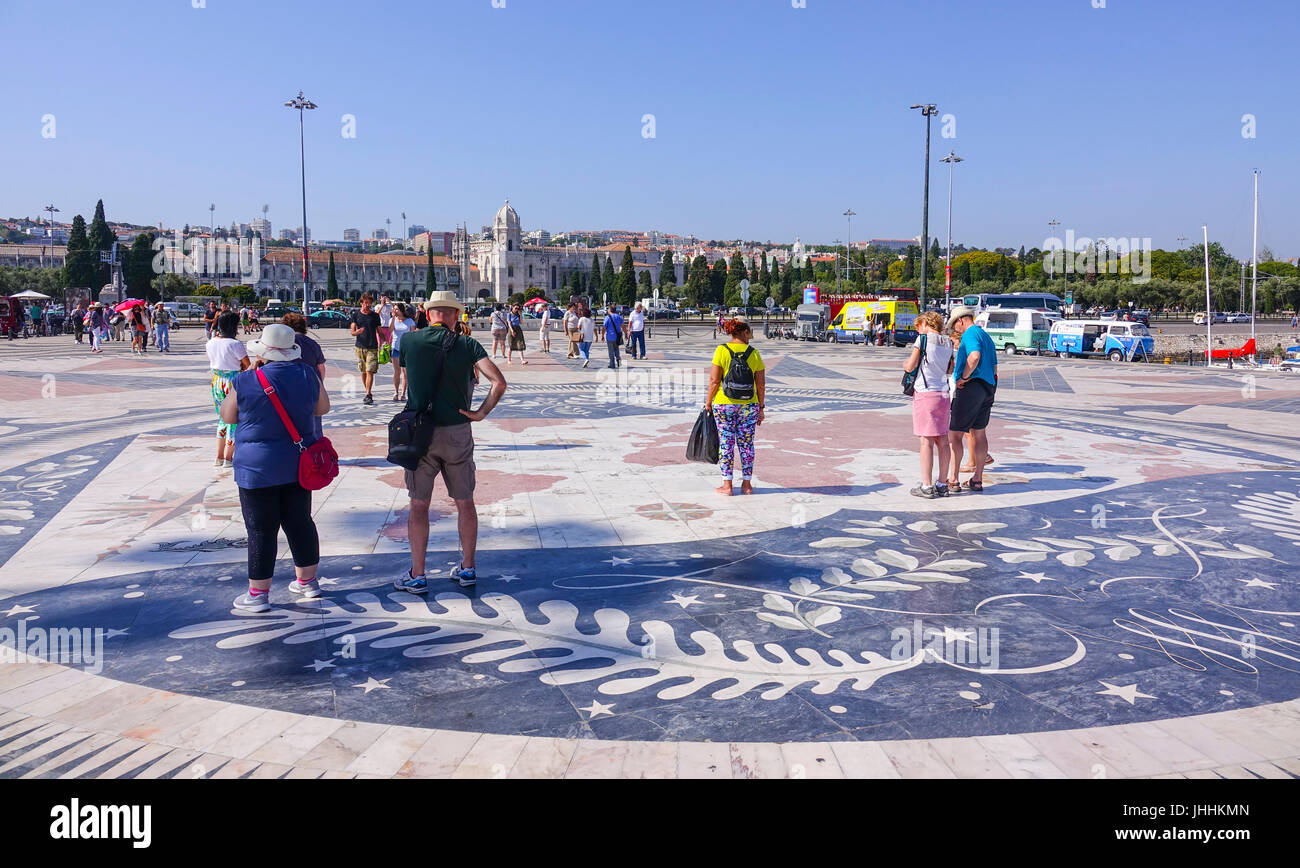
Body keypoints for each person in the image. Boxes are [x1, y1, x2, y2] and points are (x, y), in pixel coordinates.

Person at [393, 291, 507, 594]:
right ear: (456, 316)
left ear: (429, 314)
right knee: (465, 501)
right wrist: (480, 413)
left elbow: (408, 379)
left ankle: (418, 575)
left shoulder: (409, 341)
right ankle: (467, 568)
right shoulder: (467, 344)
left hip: (420, 433)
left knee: (419, 504)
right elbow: (499, 382)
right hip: (457, 430)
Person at [219, 323, 331, 611]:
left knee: (261, 529)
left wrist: (250, 380)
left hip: (257, 468)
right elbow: (322, 409)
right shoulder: (307, 373)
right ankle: (307, 583)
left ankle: (258, 595)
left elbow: (228, 416)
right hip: (298, 463)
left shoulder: (247, 379)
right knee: (300, 521)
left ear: (263, 352)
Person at [706, 318, 765, 496]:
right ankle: (747, 485)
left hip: (724, 405)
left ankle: (727, 486)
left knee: (726, 444)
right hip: (749, 405)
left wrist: (708, 402)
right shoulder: (754, 354)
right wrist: (761, 408)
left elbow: (714, 381)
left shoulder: (721, 351)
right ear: (744, 331)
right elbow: (761, 385)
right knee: (747, 445)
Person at [903, 311, 955, 498]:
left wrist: (904, 364)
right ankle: (942, 483)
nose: (918, 330)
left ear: (926, 323)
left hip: (926, 393)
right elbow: (950, 369)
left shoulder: (923, 340)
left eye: (918, 326)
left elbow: (910, 366)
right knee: (942, 439)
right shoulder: (948, 341)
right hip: (943, 393)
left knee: (926, 440)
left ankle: (926, 485)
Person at [946, 305, 998, 493]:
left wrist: (964, 377)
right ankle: (977, 479)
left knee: (955, 434)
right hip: (988, 386)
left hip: (971, 387)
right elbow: (994, 366)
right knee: (979, 432)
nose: (955, 330)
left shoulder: (970, 333)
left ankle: (953, 479)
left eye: (955, 325)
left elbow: (974, 357)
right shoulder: (986, 336)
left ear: (961, 320)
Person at [207, 311, 249, 469]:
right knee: (234, 420)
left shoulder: (211, 342)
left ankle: (218, 456)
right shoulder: (234, 344)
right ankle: (228, 457)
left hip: (217, 381)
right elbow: (247, 365)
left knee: (222, 418)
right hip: (233, 382)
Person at [349, 293, 382, 404]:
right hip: (360, 347)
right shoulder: (356, 315)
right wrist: (356, 332)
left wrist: (385, 341)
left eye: (370, 303)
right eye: (366, 303)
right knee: (363, 371)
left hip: (372, 347)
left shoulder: (375, 316)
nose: (368, 305)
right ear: (361, 303)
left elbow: (379, 330)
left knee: (369, 371)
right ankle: (367, 391)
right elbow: (352, 332)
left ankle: (368, 394)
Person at [390, 302, 416, 402]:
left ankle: (403, 394)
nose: (395, 311)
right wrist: (392, 318)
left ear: (401, 310)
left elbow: (413, 335)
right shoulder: (393, 320)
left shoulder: (410, 321)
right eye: (394, 309)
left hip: (407, 349)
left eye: (396, 309)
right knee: (397, 371)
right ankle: (396, 392)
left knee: (405, 373)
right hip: (395, 348)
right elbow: (390, 330)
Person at [602, 305, 624, 369]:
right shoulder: (619, 317)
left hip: (610, 337)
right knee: (617, 350)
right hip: (617, 337)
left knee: (611, 351)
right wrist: (626, 333)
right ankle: (619, 363)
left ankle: (612, 364)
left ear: (610, 310)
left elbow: (604, 327)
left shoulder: (607, 317)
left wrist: (602, 335)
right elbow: (623, 326)